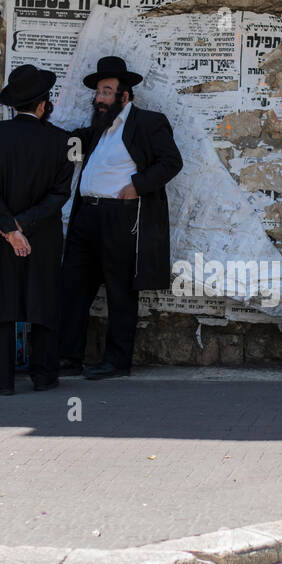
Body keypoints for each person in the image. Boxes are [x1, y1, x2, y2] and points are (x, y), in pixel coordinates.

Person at [58, 56, 183, 380]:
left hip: (121, 216)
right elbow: (70, 146)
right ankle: (68, 357)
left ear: (124, 96)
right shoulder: (97, 129)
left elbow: (171, 162)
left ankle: (117, 361)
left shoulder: (147, 122)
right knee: (73, 287)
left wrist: (137, 187)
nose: (99, 98)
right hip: (87, 216)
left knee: (120, 290)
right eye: (98, 92)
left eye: (106, 92)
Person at [0, 64, 73, 394]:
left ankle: (0, 381)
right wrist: (24, 225)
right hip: (42, 234)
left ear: (14, 105)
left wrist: (9, 229)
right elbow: (60, 194)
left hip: (1, 236)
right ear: (43, 105)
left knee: (3, 304)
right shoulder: (61, 141)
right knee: (42, 302)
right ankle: (44, 377)